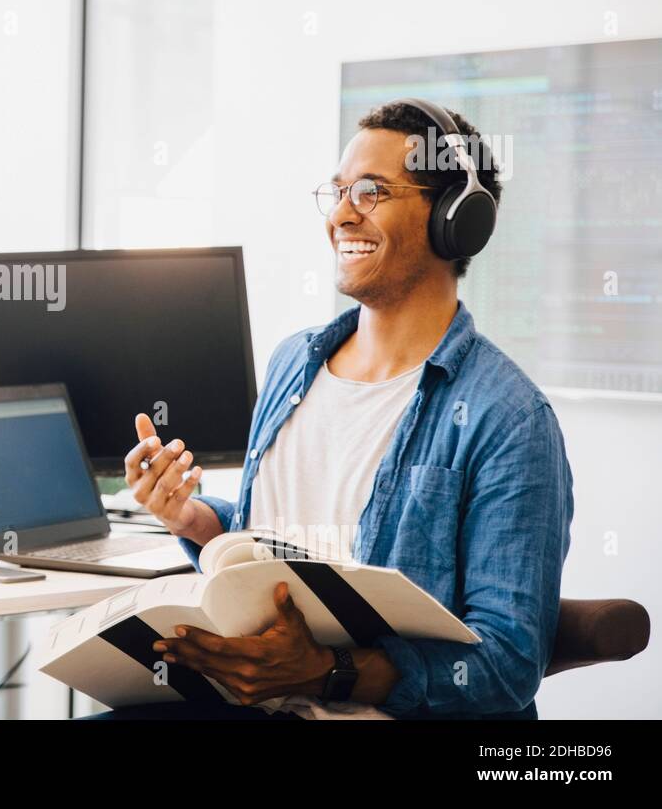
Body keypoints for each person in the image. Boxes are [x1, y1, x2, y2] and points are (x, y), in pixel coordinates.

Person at [109, 100, 574, 720]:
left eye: (371, 191)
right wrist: (192, 518)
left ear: (454, 221)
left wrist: (333, 673)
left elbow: (508, 666)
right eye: (336, 191)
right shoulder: (292, 364)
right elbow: (277, 541)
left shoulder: (509, 420)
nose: (341, 213)